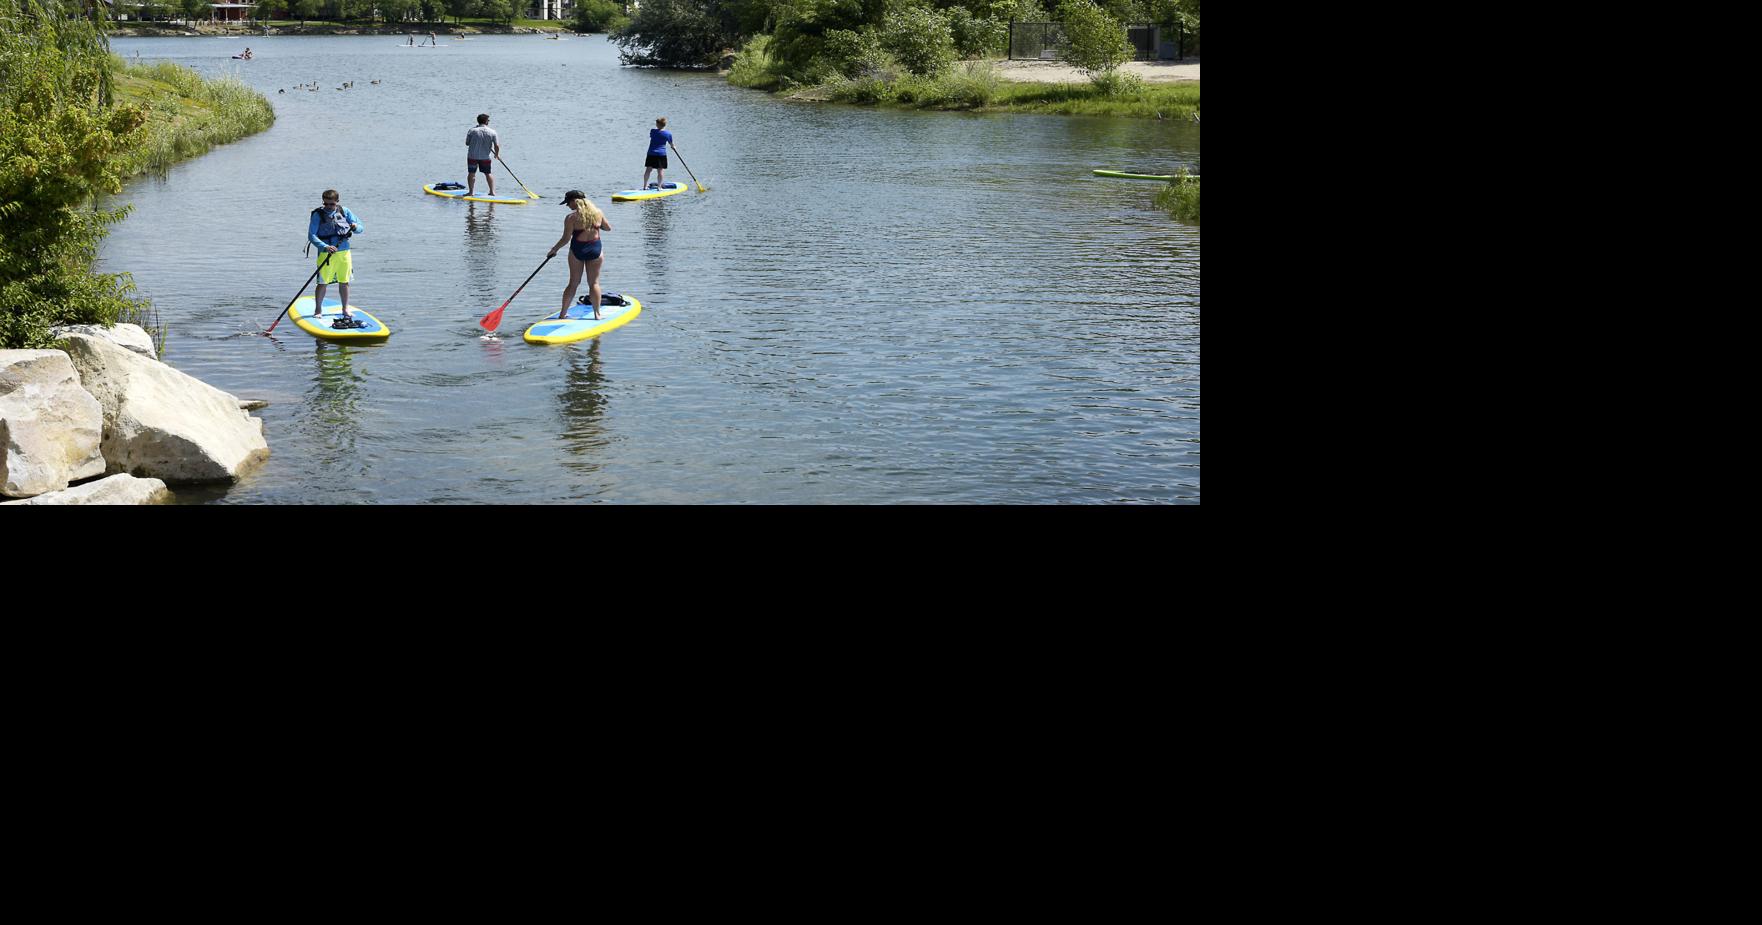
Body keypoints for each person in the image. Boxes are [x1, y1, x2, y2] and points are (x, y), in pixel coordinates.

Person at [549, 191, 612, 321]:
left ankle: (562, 314)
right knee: (594, 283)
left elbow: (565, 239)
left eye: (568, 203)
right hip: (595, 250)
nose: (567, 206)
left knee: (573, 283)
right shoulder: (598, 213)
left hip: (577, 251)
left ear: (574, 201)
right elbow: (608, 228)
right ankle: (597, 315)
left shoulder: (571, 218)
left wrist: (554, 249)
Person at [306, 190, 363, 325]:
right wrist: (324, 246)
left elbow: (361, 228)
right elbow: (311, 235)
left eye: (331, 204)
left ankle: (345, 309)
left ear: (337, 202)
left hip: (343, 252)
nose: (328, 207)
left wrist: (355, 227)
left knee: (344, 281)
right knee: (322, 282)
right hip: (326, 253)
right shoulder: (317, 215)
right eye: (325, 204)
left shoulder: (345, 211)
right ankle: (318, 310)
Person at [466, 113, 499, 198]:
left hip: (472, 156)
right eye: (488, 120)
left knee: (471, 173)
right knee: (488, 173)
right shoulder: (492, 132)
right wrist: (496, 154)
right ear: (486, 121)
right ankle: (492, 192)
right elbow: (496, 145)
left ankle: (471, 192)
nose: (488, 121)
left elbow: (467, 143)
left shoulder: (472, 130)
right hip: (485, 157)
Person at [642, 117, 672, 190]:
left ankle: (645, 186)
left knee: (648, 169)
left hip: (651, 153)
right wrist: (673, 146)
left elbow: (653, 136)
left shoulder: (652, 131)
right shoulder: (668, 134)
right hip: (661, 154)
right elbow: (671, 144)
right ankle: (659, 187)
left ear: (657, 124)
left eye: (656, 123)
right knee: (660, 170)